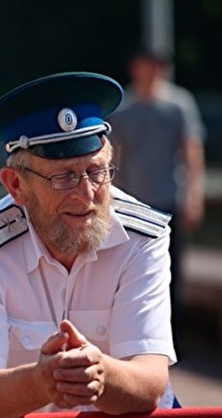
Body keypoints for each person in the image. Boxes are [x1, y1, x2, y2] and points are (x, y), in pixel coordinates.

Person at [0, 72, 177, 417]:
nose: (87, 196)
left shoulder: (142, 236)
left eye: (97, 172)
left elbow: (150, 384)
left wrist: (101, 374)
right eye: (63, 177)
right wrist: (39, 382)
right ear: (16, 185)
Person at [108, 48, 207, 356]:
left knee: (172, 273)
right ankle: (133, 339)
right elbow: (113, 154)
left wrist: (194, 195)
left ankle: (171, 341)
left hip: (169, 200)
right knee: (128, 273)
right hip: (135, 205)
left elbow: (191, 150)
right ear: (136, 67)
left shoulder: (178, 104)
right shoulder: (124, 106)